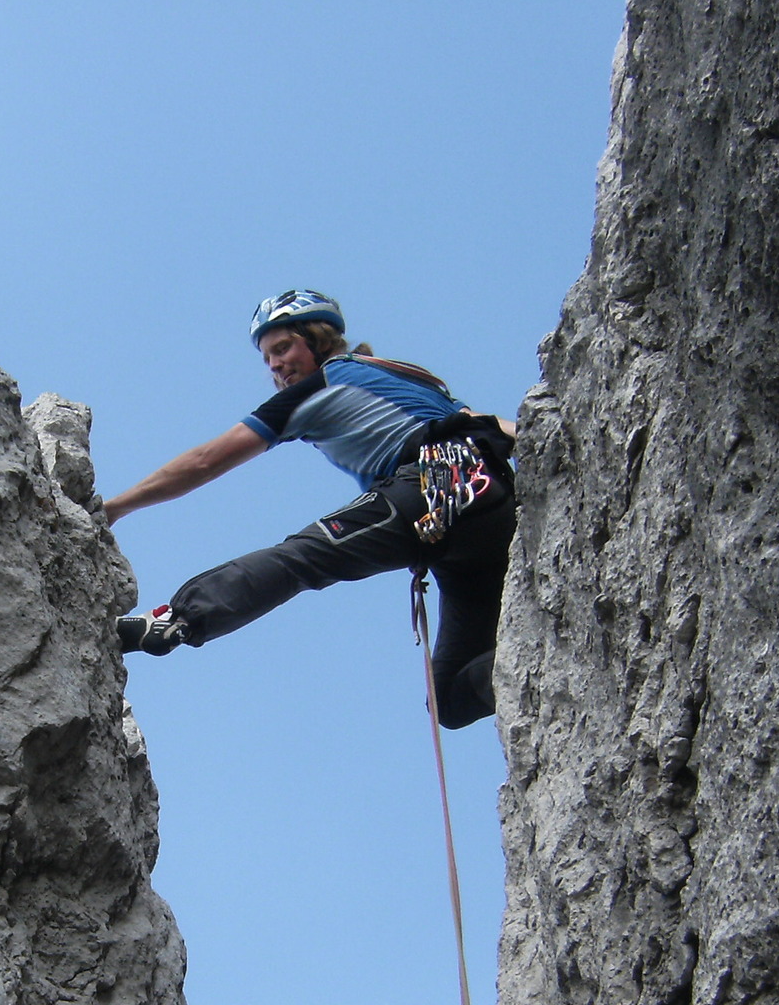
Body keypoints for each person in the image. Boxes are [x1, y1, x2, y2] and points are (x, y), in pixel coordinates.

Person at [104, 290, 517, 728]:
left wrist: (116, 506)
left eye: (282, 348)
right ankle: (537, 656)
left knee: (302, 557)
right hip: (492, 509)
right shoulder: (408, 377)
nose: (276, 366)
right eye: (267, 359)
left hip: (431, 487)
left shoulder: (322, 385)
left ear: (319, 341)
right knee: (449, 701)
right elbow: (487, 423)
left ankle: (177, 619)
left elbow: (205, 462)